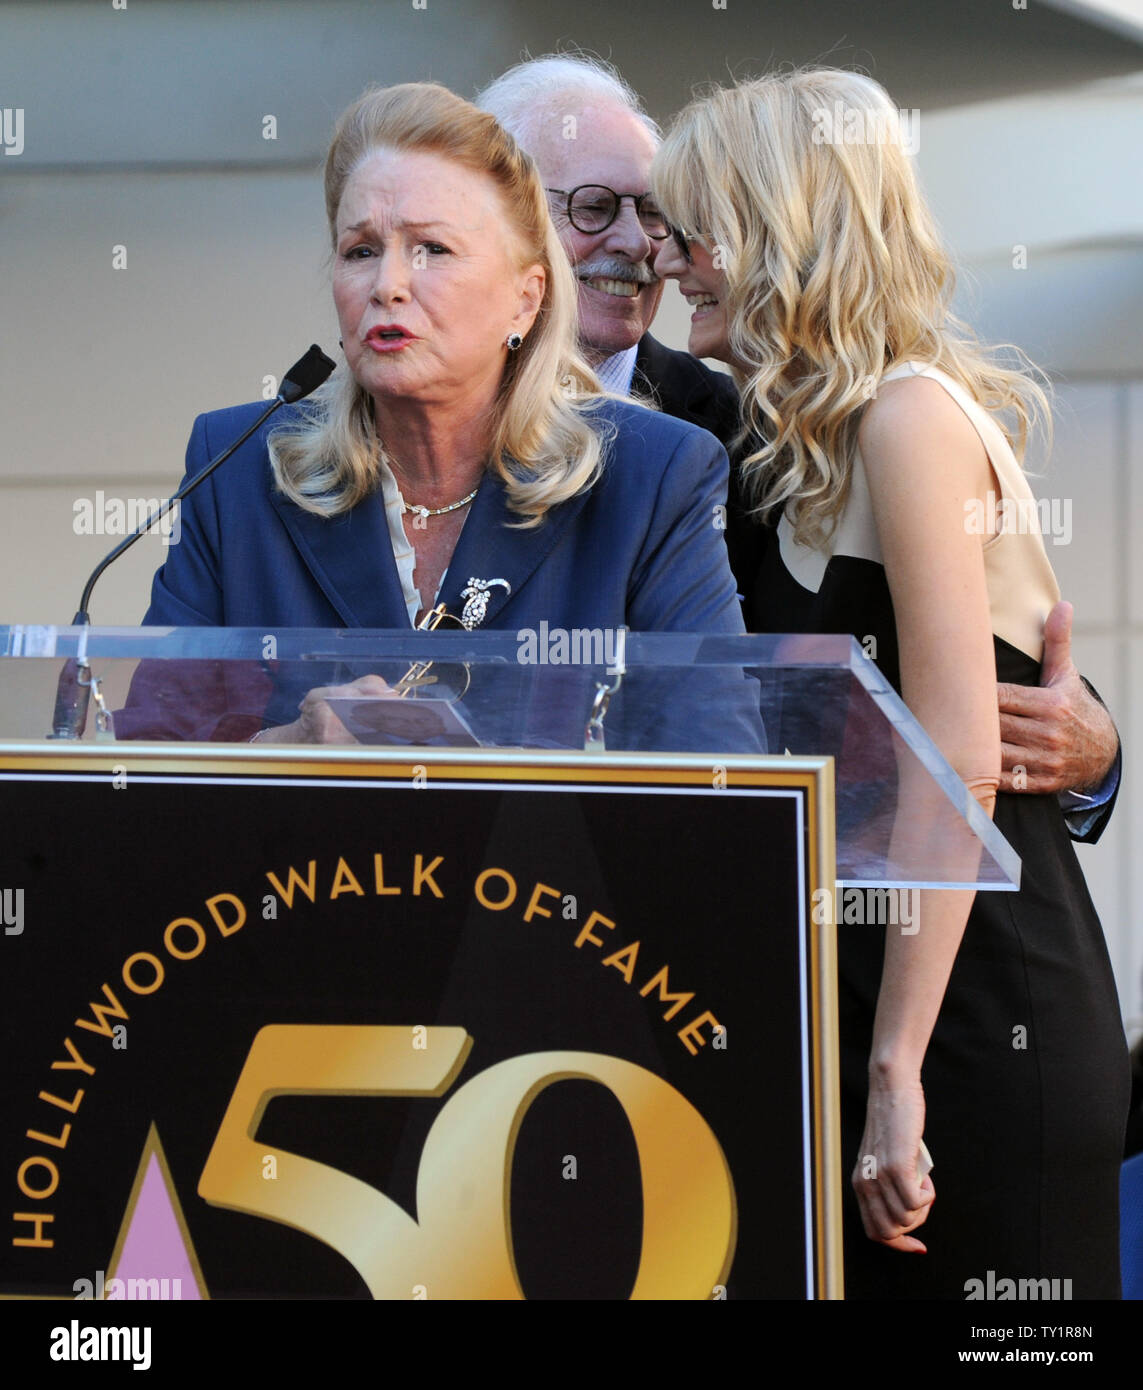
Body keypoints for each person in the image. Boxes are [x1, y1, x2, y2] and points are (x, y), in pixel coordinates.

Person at [650, 66, 1130, 1298]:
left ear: (779, 226)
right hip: (872, 1022)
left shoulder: (909, 418)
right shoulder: (787, 445)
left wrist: (894, 1071)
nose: (672, 258)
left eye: (694, 224)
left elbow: (960, 760)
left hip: (973, 1028)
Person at [476, 51, 1120, 840]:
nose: (643, 245)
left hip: (698, 902)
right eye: (593, 207)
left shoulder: (753, 425)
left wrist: (1095, 755)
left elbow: (951, 662)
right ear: (492, 219)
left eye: (654, 212)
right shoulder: (396, 421)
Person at [122, 82, 757, 751]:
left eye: (432, 249)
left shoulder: (653, 476)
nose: (387, 284)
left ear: (524, 298)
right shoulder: (238, 467)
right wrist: (286, 748)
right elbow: (142, 767)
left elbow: (723, 773)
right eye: (360, 250)